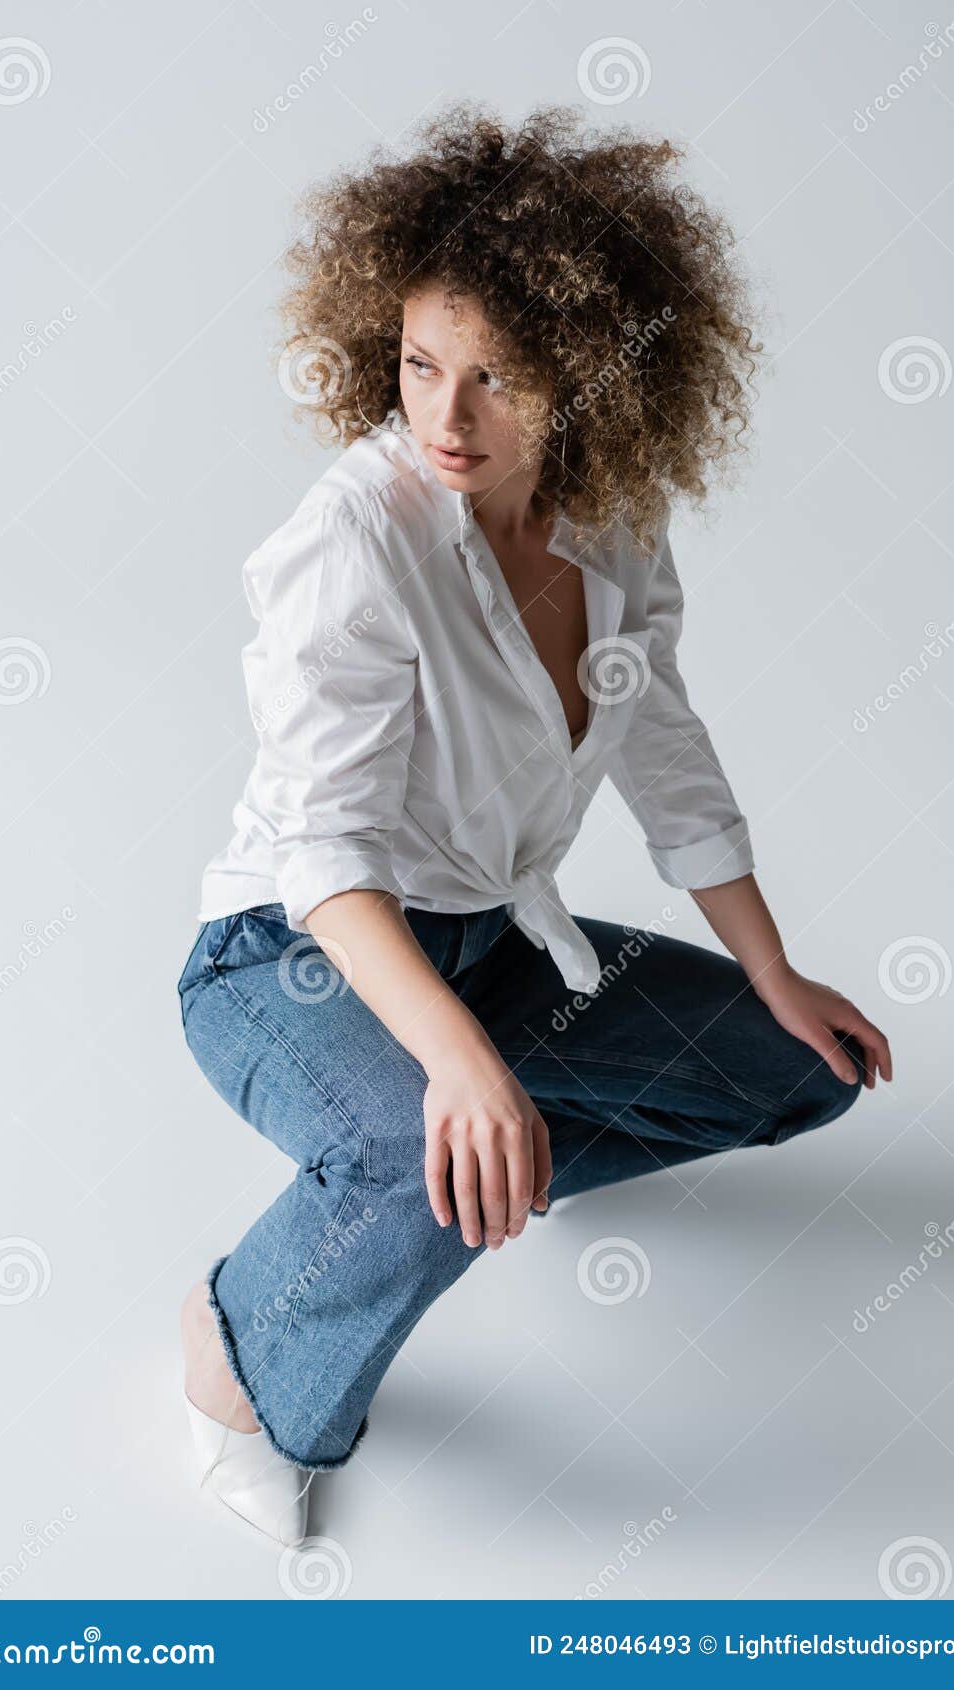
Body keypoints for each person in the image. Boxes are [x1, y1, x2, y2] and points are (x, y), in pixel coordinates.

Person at [175, 103, 892, 1548]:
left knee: (795, 1073)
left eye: (497, 377)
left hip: (491, 947)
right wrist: (457, 1067)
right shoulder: (356, 539)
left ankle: (489, 1154)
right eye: (418, 364)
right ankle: (239, 1356)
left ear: (588, 369)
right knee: (415, 1169)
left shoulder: (613, 519)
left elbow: (663, 746)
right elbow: (324, 857)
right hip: (295, 957)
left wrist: (771, 969)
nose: (445, 418)